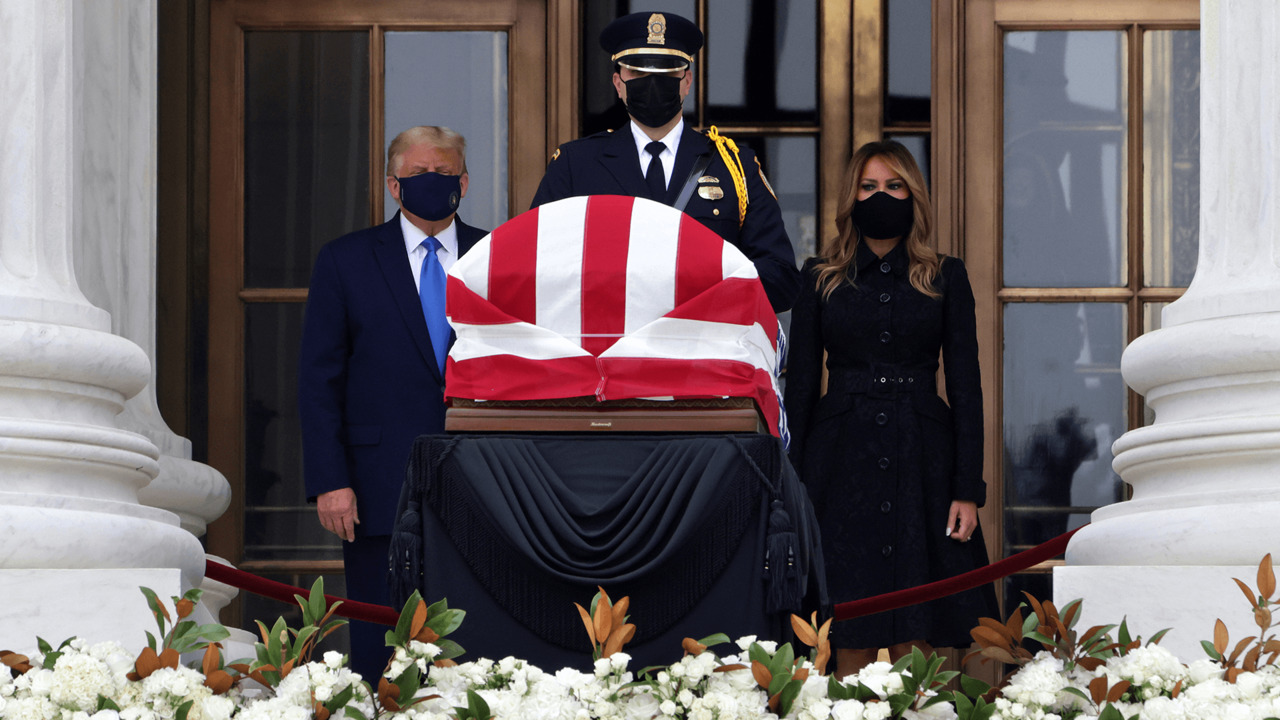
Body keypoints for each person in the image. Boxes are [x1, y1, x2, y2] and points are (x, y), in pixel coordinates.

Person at [783, 140, 998, 678]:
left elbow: (966, 387)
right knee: (846, 628)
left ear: (914, 195)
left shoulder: (945, 275)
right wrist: (791, 488)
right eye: (869, 187)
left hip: (923, 458)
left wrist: (967, 489)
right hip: (839, 463)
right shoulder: (819, 276)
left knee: (919, 632)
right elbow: (802, 387)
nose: (883, 196)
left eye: (895, 185)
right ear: (851, 197)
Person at [298, 126, 488, 680]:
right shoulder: (346, 260)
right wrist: (330, 480)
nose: (433, 184)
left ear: (465, 182)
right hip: (376, 482)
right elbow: (319, 380)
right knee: (381, 643)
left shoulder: (495, 256)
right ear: (393, 185)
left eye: (445, 174)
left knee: (473, 644)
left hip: (481, 478)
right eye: (418, 174)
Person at [530, 10, 801, 314]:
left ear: (687, 81)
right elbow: (533, 264)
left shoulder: (735, 167)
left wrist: (706, 282)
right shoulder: (575, 165)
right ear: (618, 84)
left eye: (667, 73)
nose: (654, 83)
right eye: (639, 73)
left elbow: (781, 279)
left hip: (702, 349)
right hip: (608, 349)